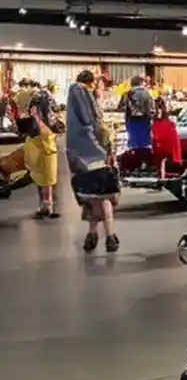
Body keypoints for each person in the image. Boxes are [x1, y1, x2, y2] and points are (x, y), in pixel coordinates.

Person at [67, 69, 120, 252]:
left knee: (90, 197)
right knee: (105, 196)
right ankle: (110, 235)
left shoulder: (73, 100)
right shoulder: (85, 96)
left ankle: (92, 234)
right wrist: (108, 151)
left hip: (81, 157)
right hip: (97, 155)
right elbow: (97, 127)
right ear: (91, 84)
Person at [21, 92, 60, 219]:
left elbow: (42, 131)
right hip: (47, 148)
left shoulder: (39, 119)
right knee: (45, 180)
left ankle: (46, 205)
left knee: (44, 180)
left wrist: (35, 117)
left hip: (43, 148)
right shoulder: (50, 116)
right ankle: (48, 204)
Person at [118, 75, 156, 152]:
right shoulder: (147, 94)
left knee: (133, 142)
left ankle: (134, 158)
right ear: (141, 83)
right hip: (144, 121)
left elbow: (120, 107)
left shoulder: (126, 94)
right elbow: (152, 109)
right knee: (145, 143)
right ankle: (144, 159)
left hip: (131, 121)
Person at [150, 98, 182, 176]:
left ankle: (162, 175)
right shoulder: (169, 123)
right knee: (164, 162)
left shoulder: (159, 122)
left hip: (162, 143)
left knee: (161, 162)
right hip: (164, 143)